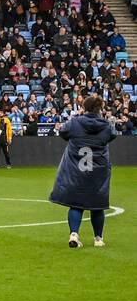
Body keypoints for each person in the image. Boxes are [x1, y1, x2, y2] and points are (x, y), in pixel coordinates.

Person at [50, 95, 116, 248]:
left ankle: (74, 233)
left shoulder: (75, 123)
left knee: (76, 204)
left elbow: (63, 132)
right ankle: (98, 238)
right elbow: (111, 135)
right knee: (97, 205)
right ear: (99, 109)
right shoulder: (106, 125)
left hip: (77, 169)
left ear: (84, 107)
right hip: (98, 170)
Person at [0, 104, 14, 169]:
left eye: (1, 112)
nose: (0, 113)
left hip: (4, 138)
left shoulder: (7, 120)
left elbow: (9, 130)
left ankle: (8, 164)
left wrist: (10, 138)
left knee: (6, 152)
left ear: (3, 113)